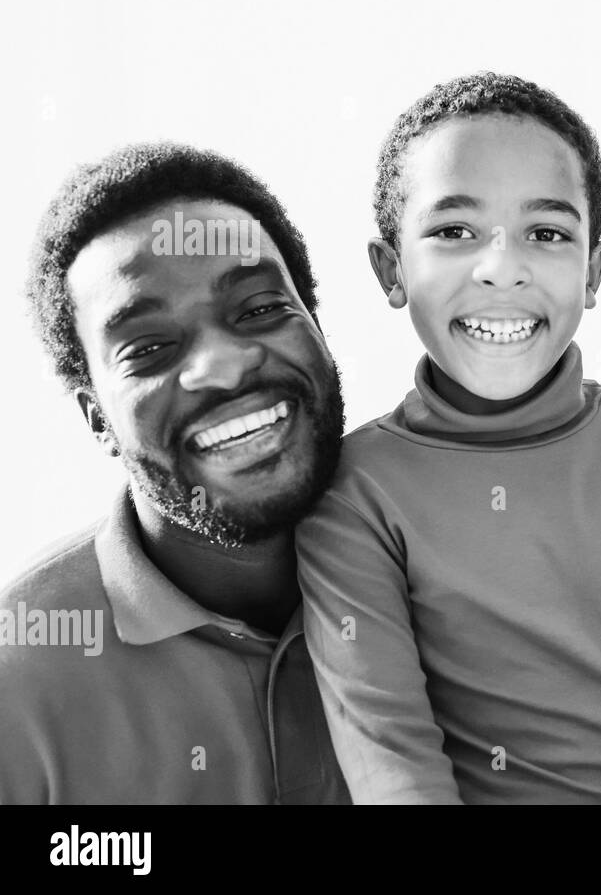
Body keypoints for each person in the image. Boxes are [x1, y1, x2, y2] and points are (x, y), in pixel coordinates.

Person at [295, 72, 601, 804]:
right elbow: (394, 761)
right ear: (390, 269)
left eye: (547, 233)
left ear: (593, 271)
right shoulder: (354, 489)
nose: (502, 267)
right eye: (452, 231)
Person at [2, 142, 348, 803]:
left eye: (257, 308)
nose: (222, 365)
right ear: (96, 416)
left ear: (317, 325)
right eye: (150, 348)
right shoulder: (17, 684)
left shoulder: (455, 567)